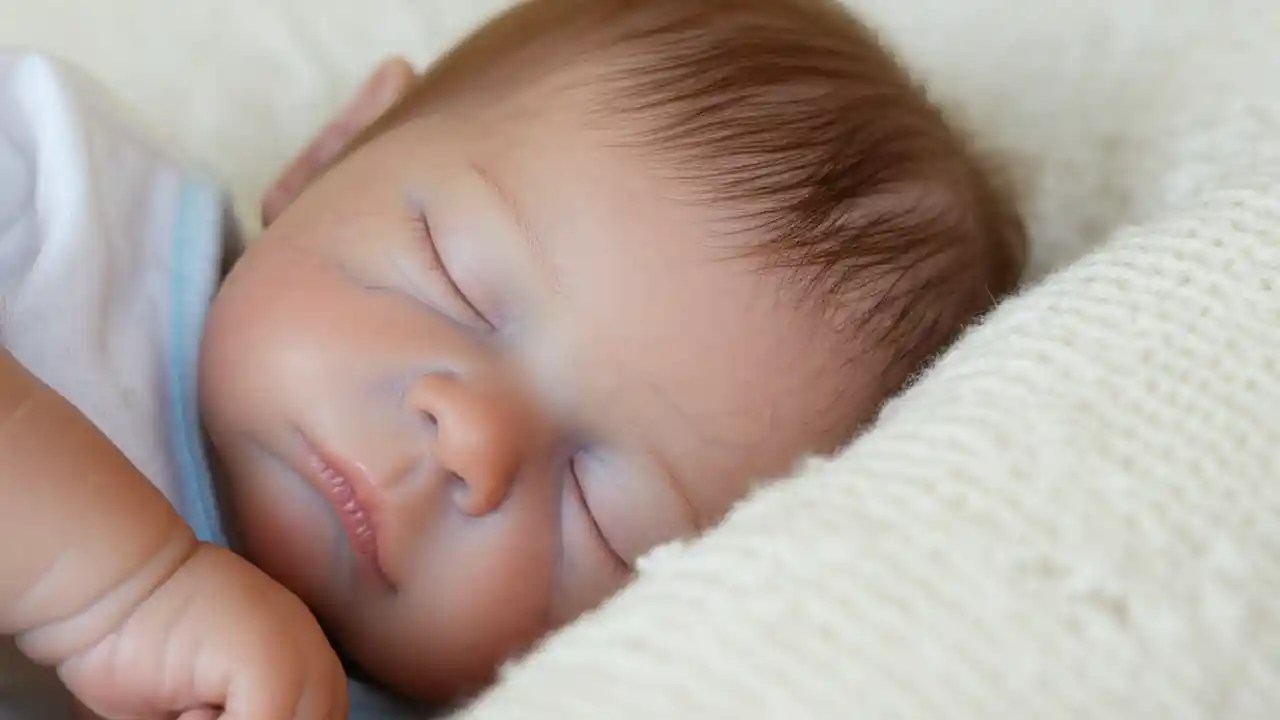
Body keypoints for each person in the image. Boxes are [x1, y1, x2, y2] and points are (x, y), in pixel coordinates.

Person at [0, 0, 1025, 716]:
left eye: (599, 514)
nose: (470, 437)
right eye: (454, 280)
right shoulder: (62, 210)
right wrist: (125, 590)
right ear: (332, 148)